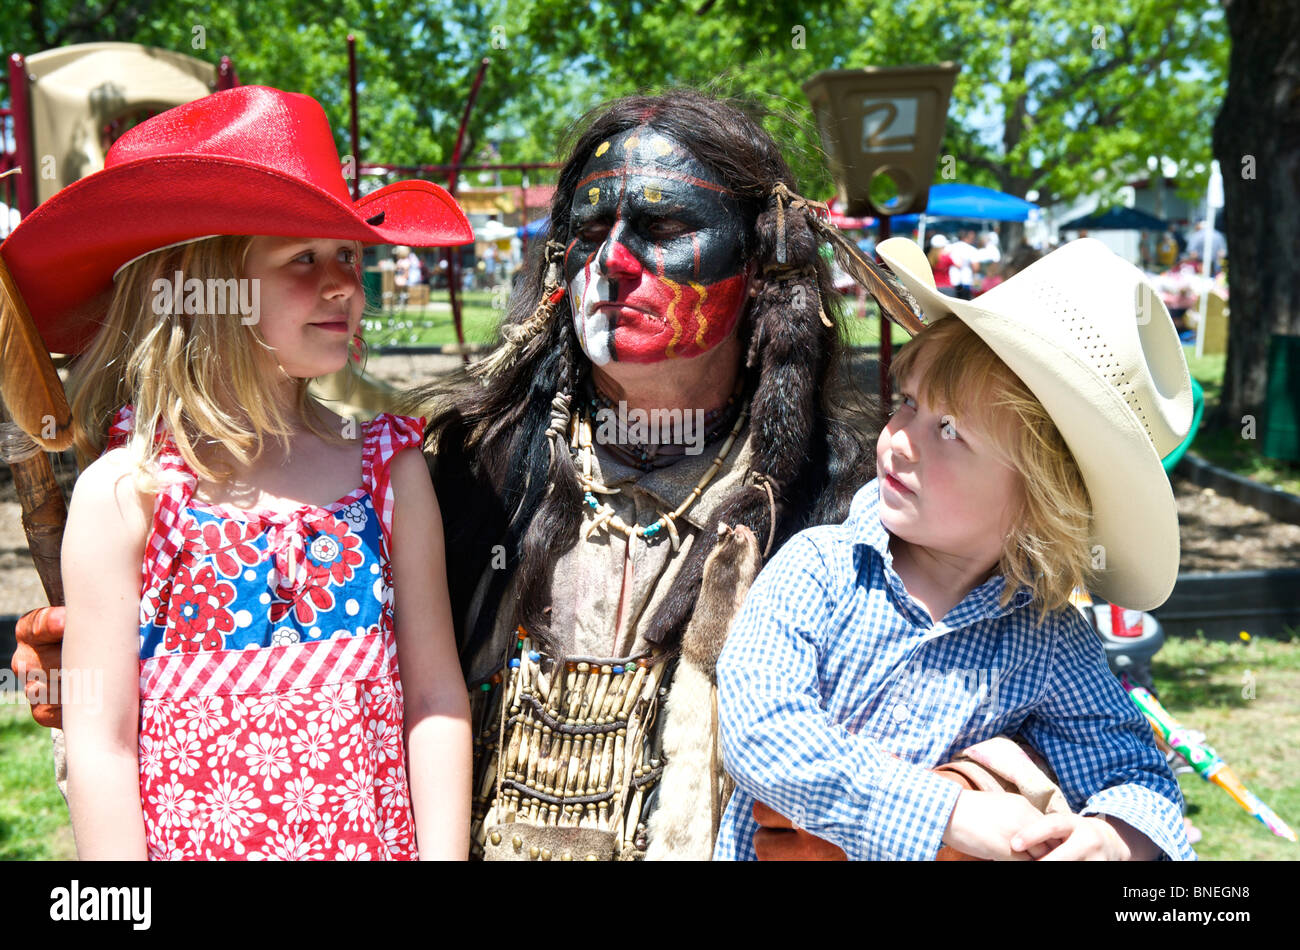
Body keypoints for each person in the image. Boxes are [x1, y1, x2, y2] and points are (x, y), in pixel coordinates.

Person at [11, 89, 1056, 861]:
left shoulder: (854, 509)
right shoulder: (468, 471)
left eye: (660, 228)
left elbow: (1018, 711)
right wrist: (99, 663)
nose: (614, 264)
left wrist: (954, 786)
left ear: (761, 257)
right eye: (588, 233)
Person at [2, 85, 474, 859]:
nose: (344, 285)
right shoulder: (130, 496)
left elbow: (432, 698)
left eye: (351, 255)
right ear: (199, 289)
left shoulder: (389, 471)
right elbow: (102, 746)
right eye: (304, 258)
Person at [714, 236, 1197, 861]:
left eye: (949, 429)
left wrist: (1111, 838)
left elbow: (1138, 775)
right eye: (907, 402)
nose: (900, 440)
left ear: (1037, 498)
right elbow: (762, 734)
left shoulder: (1048, 638)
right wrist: (948, 814)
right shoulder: (821, 569)